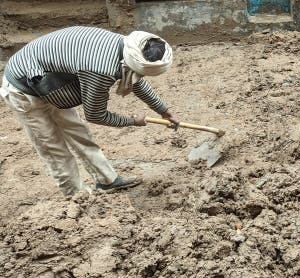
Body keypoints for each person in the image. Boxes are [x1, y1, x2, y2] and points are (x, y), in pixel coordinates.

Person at [1, 26, 178, 197]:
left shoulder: (125, 45)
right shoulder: (100, 70)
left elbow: (135, 79)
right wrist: (132, 122)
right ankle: (76, 197)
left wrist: (163, 111)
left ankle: (107, 181)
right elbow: (95, 114)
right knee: (54, 147)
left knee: (80, 133)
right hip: (24, 88)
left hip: (53, 82)